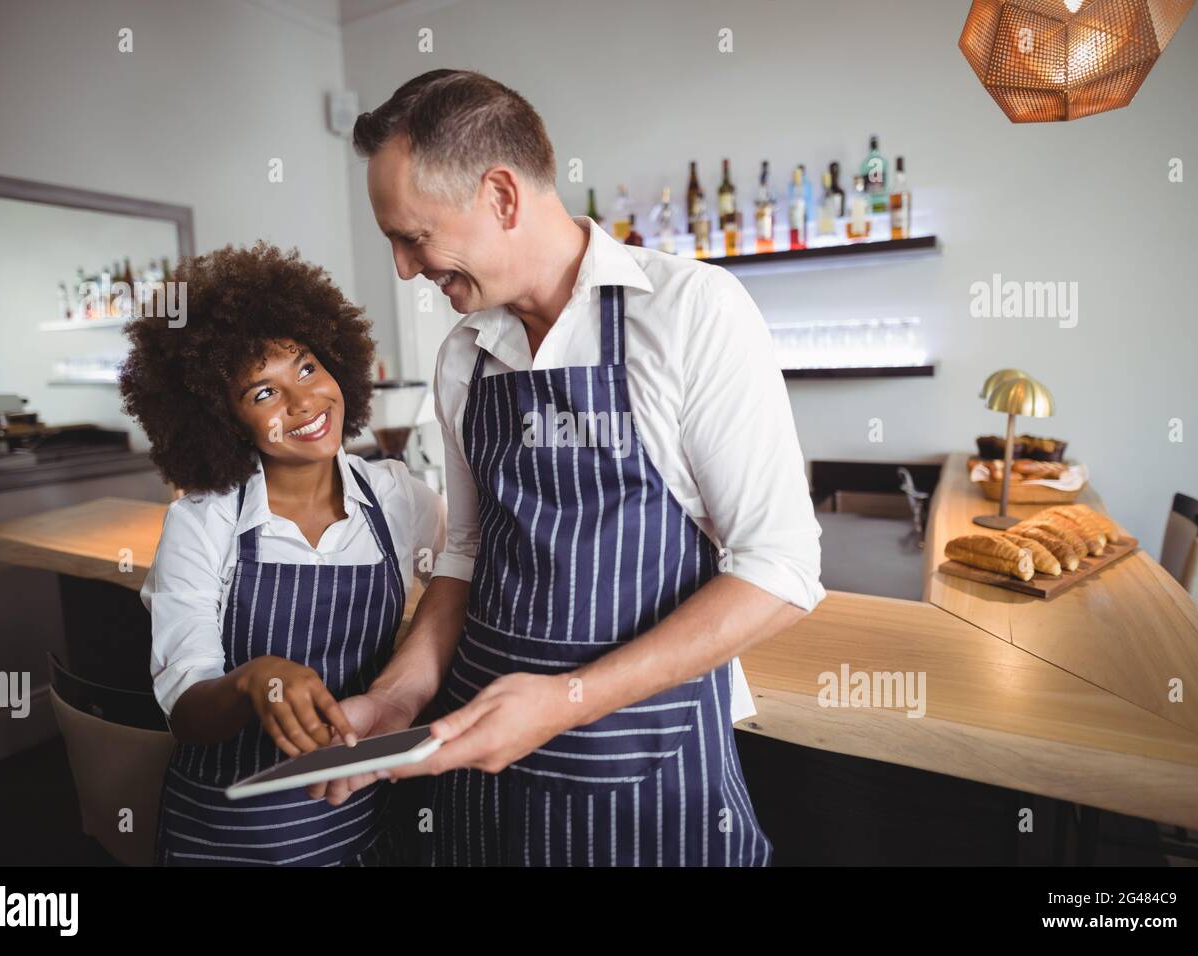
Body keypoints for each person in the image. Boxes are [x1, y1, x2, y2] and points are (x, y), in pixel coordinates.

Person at [321, 69, 825, 866]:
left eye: (413, 236)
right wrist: (398, 694)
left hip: (644, 775)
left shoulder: (691, 313)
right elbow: (467, 555)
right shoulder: (466, 357)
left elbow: (779, 572)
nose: (405, 269)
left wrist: (564, 702)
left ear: (502, 195)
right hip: (479, 772)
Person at [120, 241, 445, 865]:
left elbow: (462, 582)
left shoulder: (398, 498)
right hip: (230, 838)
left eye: (306, 368)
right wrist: (250, 679)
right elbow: (187, 712)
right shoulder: (203, 522)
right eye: (262, 394)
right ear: (223, 420)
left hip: (359, 821)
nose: (302, 403)